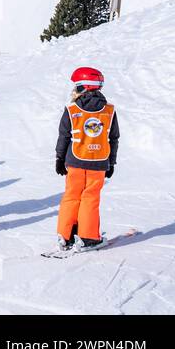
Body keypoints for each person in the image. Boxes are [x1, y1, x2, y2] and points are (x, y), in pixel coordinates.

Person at [54, 67, 120, 252]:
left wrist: (59, 158)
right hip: (98, 162)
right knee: (90, 198)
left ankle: (64, 236)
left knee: (71, 196)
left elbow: (64, 136)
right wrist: (111, 162)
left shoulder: (72, 109)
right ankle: (88, 237)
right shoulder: (109, 111)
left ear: (82, 87)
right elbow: (113, 138)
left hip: (74, 160)